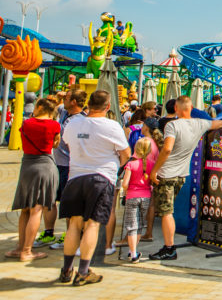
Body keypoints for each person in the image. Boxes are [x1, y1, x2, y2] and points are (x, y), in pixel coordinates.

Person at [57, 90, 131, 286]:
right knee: (92, 225)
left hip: (75, 177)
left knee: (74, 223)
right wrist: (117, 165)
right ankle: (83, 271)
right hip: (101, 177)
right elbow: (126, 153)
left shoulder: (72, 124)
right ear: (108, 107)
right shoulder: (112, 126)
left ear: (88, 104)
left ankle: (66, 270)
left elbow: (66, 143)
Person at [149, 95, 222, 260]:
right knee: (169, 211)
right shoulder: (200, 124)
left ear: (175, 108)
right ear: (191, 108)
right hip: (182, 174)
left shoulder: (172, 125)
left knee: (166, 213)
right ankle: (169, 247)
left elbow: (167, 149)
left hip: (166, 174)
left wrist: (155, 170)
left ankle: (169, 248)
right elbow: (220, 123)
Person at [7, 97, 60, 262]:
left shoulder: (26, 123)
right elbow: (55, 144)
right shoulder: (54, 125)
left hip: (27, 165)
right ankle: (27, 251)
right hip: (45, 165)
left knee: (25, 209)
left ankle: (19, 247)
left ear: (39, 107)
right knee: (37, 209)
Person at [39, 89, 87, 251]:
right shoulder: (63, 112)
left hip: (70, 166)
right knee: (50, 200)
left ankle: (70, 234)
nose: (64, 100)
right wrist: (60, 95)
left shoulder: (81, 120)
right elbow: (51, 104)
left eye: (67, 98)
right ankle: (48, 232)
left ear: (74, 101)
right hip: (56, 164)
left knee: (69, 203)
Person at [121, 137, 155, 262]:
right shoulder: (151, 165)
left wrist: (126, 190)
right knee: (140, 225)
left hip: (132, 196)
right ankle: (133, 251)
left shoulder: (131, 164)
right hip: (146, 196)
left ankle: (133, 252)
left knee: (131, 225)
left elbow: (125, 183)